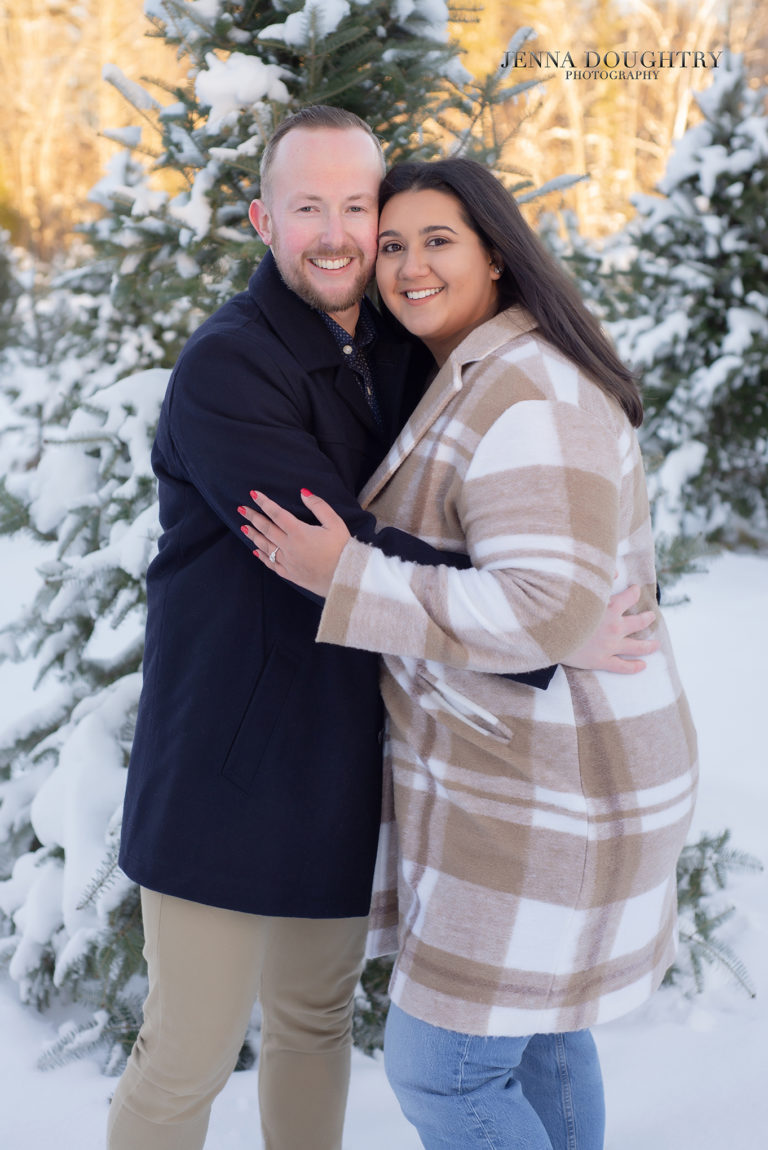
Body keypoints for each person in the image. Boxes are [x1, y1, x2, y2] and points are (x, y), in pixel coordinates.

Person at [111, 105, 655, 1150]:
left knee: (315, 1024)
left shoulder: (398, 349)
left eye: (356, 207)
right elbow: (342, 546)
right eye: (307, 206)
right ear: (263, 220)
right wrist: (545, 622)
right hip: (226, 767)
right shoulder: (229, 369)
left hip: (344, 764)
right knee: (187, 1051)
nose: (335, 232)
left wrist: (545, 608)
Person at [238, 158, 698, 1150]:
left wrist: (343, 575)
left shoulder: (529, 393)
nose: (406, 265)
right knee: (538, 1041)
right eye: (392, 243)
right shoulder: (480, 368)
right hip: (526, 776)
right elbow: (553, 601)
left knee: (443, 1070)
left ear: (495, 250)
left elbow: (544, 607)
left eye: (436, 240)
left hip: (555, 793)